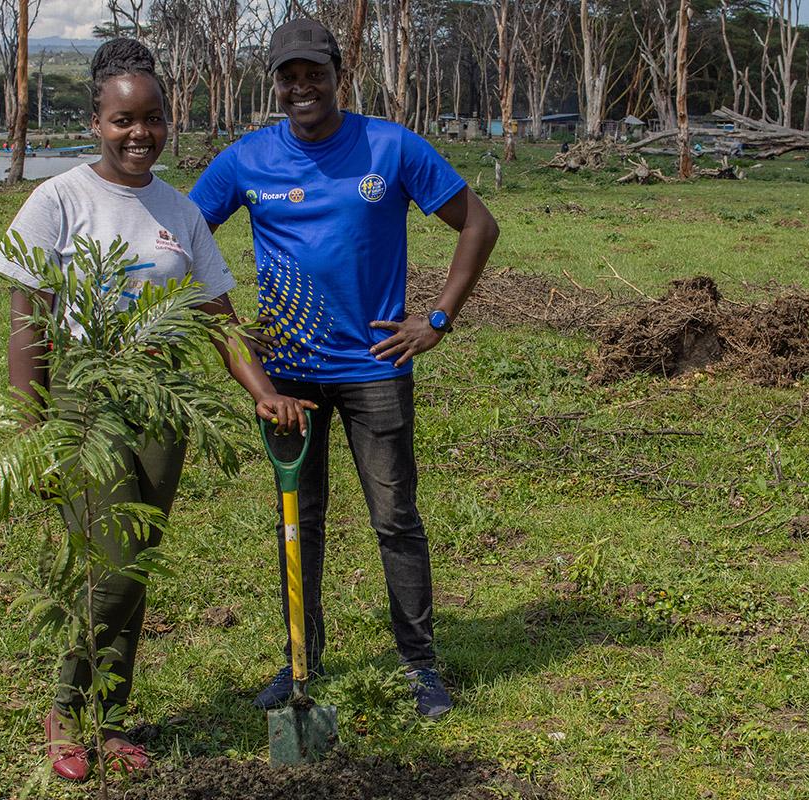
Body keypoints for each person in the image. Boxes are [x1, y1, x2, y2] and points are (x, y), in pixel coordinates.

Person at [0, 38, 315, 781]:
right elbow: (27, 321)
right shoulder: (59, 199)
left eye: (155, 119)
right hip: (86, 400)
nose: (140, 134)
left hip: (165, 407)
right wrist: (30, 427)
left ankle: (106, 715)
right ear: (96, 121)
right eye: (123, 120)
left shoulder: (180, 211)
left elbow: (218, 318)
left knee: (135, 566)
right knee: (111, 567)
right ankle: (67, 712)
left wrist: (264, 392)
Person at [190, 18, 499, 719]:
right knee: (299, 519)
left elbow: (478, 225)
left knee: (395, 518)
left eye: (314, 73)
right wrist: (230, 324)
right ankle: (302, 660)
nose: (302, 87)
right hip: (288, 376)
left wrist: (436, 320)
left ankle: (419, 666)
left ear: (338, 73)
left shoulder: (390, 146)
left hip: (374, 368)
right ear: (275, 83)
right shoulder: (244, 161)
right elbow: (182, 236)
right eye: (288, 76)